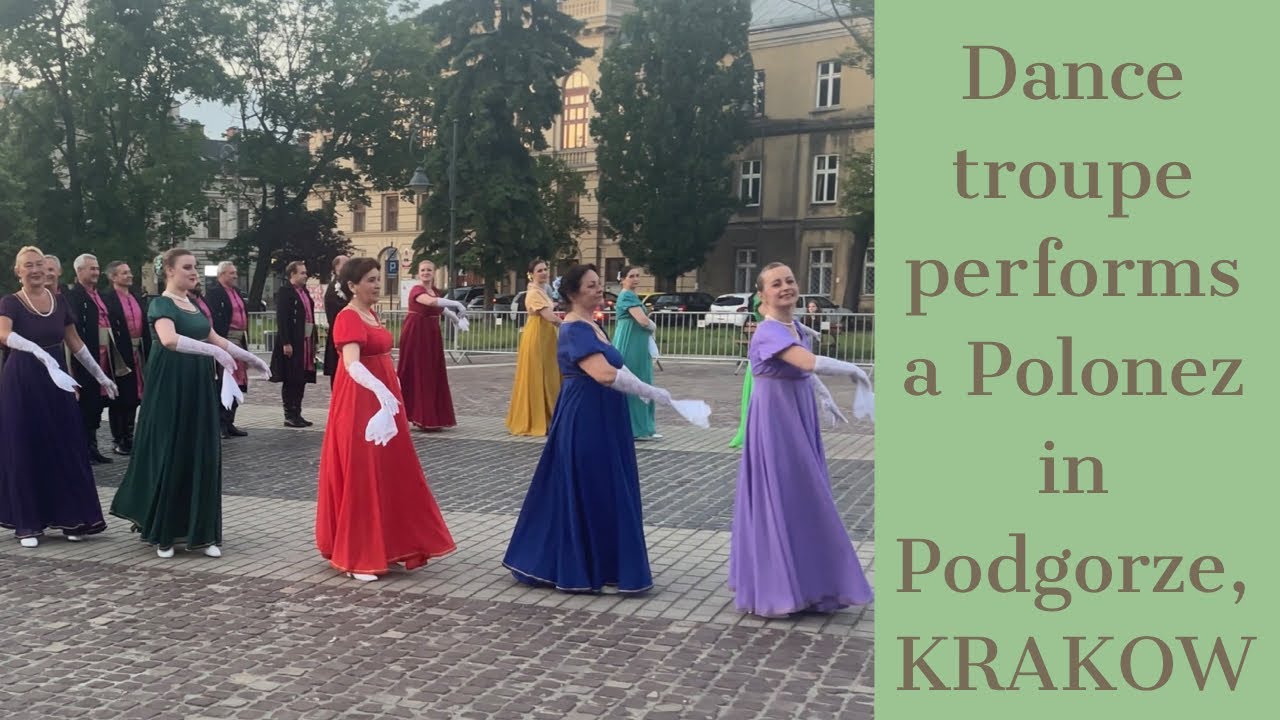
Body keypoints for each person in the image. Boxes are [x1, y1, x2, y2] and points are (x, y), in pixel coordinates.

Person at [503, 264, 710, 594]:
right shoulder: (574, 329)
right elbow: (604, 374)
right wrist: (653, 393)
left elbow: (617, 366)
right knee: (592, 485)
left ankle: (607, 562)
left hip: (605, 413)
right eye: (591, 286)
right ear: (572, 294)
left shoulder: (593, 326)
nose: (599, 290)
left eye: (600, 284)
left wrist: (650, 387)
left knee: (607, 485)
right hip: (586, 415)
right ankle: (584, 563)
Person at [729, 262, 874, 618]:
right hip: (776, 421)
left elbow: (803, 373)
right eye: (776, 284)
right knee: (786, 493)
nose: (785, 288)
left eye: (790, 281)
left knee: (805, 495)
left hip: (797, 413)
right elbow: (806, 362)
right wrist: (855, 371)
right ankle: (782, 586)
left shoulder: (794, 328)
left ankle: (812, 583)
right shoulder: (767, 332)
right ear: (762, 295)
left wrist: (825, 399)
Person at [110, 248, 269, 559]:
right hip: (170, 385)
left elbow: (215, 338)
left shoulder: (194, 304)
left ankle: (201, 530)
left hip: (197, 385)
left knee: (200, 451)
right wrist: (214, 353)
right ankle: (164, 533)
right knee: (172, 449)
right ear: (169, 271)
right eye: (186, 267)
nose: (194, 272)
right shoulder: (160, 303)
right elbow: (169, 340)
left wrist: (250, 359)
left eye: (195, 267)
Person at [316, 257, 456, 582]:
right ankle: (357, 554)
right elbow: (351, 363)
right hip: (360, 403)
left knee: (389, 471)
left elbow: (378, 355)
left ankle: (387, 544)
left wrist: (388, 392)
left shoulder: (371, 313)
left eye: (379, 279)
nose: (377, 284)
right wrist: (380, 390)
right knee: (363, 473)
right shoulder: (348, 317)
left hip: (383, 401)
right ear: (352, 285)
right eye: (370, 280)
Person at [0, 247, 115, 547]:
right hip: (23, 378)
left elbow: (75, 342)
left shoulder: (60, 301)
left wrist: (100, 375)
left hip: (57, 378)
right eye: (29, 266)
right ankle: (28, 524)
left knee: (66, 443)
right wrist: (33, 349)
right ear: (18, 271)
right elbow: (3, 334)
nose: (36, 270)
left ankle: (72, 517)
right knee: (26, 444)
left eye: (40, 265)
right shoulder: (10, 302)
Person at [398, 260, 467, 432]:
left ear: (434, 272)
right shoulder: (417, 290)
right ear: (418, 273)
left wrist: (455, 319)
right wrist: (456, 304)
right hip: (417, 334)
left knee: (432, 372)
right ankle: (419, 416)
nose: (426, 273)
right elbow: (430, 303)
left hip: (431, 334)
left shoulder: (434, 291)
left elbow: (439, 308)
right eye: (423, 270)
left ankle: (433, 415)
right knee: (419, 372)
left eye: (429, 270)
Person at [66, 253, 118, 464]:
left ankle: (92, 446)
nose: (96, 272)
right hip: (86, 355)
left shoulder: (100, 296)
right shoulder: (74, 296)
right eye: (91, 269)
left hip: (104, 354)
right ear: (79, 271)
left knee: (97, 402)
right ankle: (82, 448)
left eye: (97, 268)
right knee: (86, 402)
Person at [504, 259, 561, 436]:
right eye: (539, 270)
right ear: (531, 274)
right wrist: (569, 326)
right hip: (537, 334)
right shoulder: (534, 293)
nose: (544, 273)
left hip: (546, 335)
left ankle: (548, 415)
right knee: (538, 374)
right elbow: (549, 316)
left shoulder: (543, 291)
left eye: (545, 269)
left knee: (549, 373)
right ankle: (537, 418)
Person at [101, 261, 151, 455]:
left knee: (135, 395)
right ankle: (118, 439)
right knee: (120, 396)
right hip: (119, 353)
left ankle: (129, 436)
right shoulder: (108, 299)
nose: (130, 276)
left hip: (138, 352)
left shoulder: (137, 297)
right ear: (113, 277)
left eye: (129, 272)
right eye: (124, 273)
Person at [610, 265, 660, 440]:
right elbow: (642, 320)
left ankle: (645, 426)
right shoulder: (627, 296)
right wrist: (652, 325)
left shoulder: (631, 296)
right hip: (630, 343)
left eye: (637, 275)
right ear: (622, 279)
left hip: (637, 343)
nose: (635, 279)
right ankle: (635, 428)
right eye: (631, 276)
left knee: (642, 380)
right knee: (635, 381)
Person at [270, 261, 318, 427]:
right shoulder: (286, 292)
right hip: (292, 342)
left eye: (305, 272)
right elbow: (282, 319)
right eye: (302, 273)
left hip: (305, 341)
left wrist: (314, 340)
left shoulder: (304, 291)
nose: (306, 275)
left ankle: (297, 412)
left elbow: (310, 316)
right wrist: (286, 342)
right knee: (291, 377)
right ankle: (289, 414)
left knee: (301, 378)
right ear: (293, 274)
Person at [206, 262, 251, 438]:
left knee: (238, 381)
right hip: (224, 340)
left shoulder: (237, 292)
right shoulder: (214, 293)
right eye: (231, 273)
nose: (235, 276)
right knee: (224, 381)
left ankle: (230, 420)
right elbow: (214, 320)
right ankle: (220, 424)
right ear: (222, 274)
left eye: (235, 273)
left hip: (239, 340)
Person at [728, 290, 764, 449]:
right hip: (762, 357)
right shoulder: (761, 302)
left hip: (761, 352)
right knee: (758, 396)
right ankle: (757, 432)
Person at [322, 255, 349, 387]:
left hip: (349, 334)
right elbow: (337, 311)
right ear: (336, 267)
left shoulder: (348, 285)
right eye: (345, 264)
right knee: (337, 373)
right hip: (339, 334)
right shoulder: (334, 288)